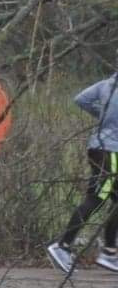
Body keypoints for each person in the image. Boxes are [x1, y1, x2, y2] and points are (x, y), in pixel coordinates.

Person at [47, 71, 118, 274]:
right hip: (109, 150)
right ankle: (62, 246)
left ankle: (109, 252)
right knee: (97, 198)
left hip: (102, 148)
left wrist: (102, 116)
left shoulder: (106, 84)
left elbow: (81, 99)